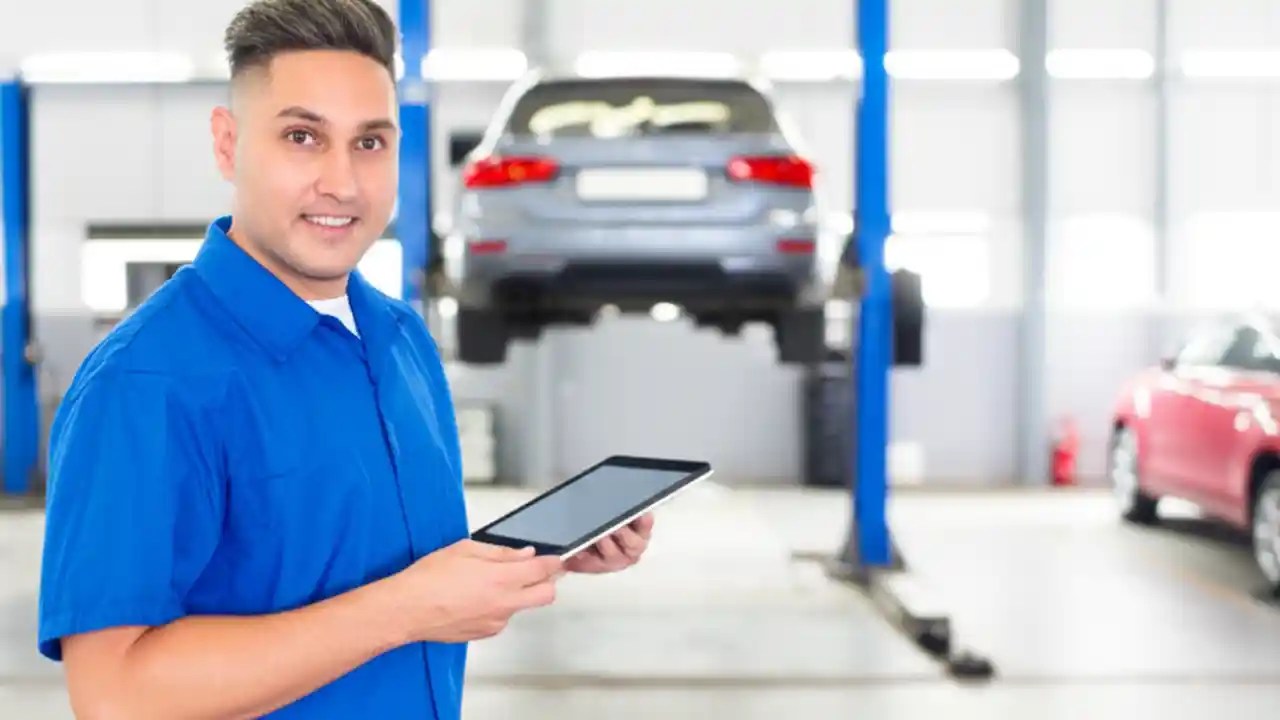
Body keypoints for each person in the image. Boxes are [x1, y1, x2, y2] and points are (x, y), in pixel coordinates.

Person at [36, 1, 655, 717]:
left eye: (370, 143)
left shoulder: (400, 340)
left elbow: (378, 565)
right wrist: (408, 610)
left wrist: (529, 555)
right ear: (227, 144)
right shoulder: (145, 381)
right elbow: (115, 696)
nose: (342, 182)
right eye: (303, 136)